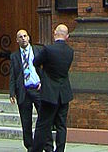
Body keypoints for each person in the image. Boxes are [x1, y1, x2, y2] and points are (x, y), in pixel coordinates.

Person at [9, 28, 54, 152]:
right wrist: (12, 92)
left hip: (38, 89)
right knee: (26, 121)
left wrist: (44, 83)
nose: (23, 39)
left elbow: (47, 69)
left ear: (28, 38)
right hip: (24, 91)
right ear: (17, 40)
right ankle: (30, 146)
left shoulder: (38, 51)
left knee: (44, 119)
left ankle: (48, 146)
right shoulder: (14, 56)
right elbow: (12, 75)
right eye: (20, 37)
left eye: (25, 36)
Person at [31, 24, 74, 152]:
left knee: (43, 124)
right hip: (64, 93)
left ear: (55, 33)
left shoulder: (48, 50)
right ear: (67, 36)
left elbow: (35, 63)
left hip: (50, 92)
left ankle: (37, 149)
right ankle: (60, 150)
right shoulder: (70, 51)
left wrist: (43, 78)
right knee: (61, 125)